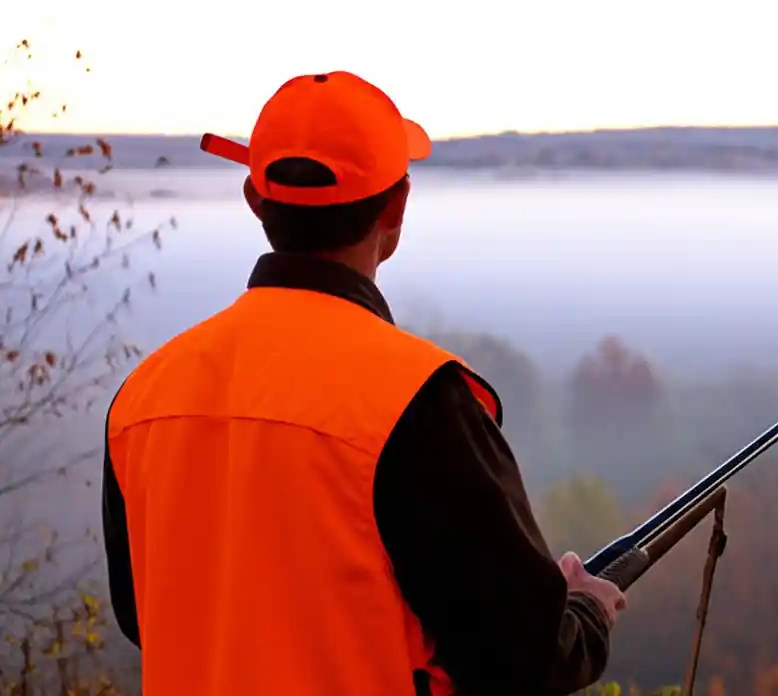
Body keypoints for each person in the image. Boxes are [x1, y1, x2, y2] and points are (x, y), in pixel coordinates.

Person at [100, 70, 626, 696]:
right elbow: (529, 659)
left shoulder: (144, 396)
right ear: (397, 206)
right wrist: (585, 610)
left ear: (255, 199)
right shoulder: (422, 401)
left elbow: (147, 616)